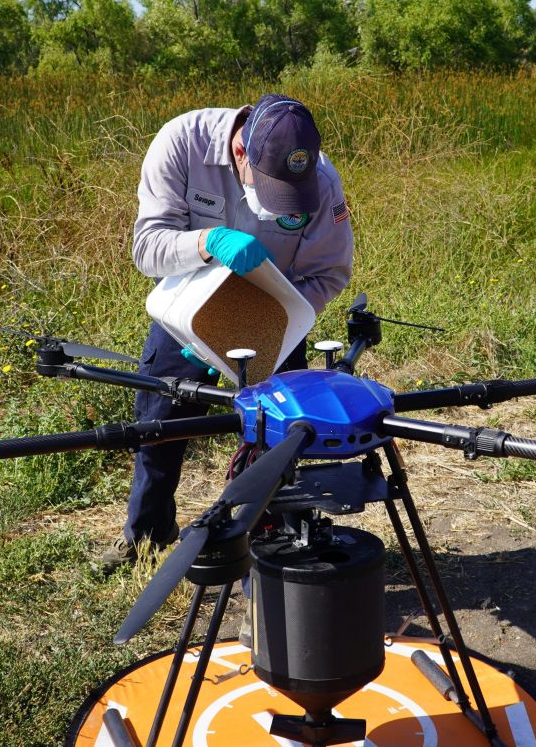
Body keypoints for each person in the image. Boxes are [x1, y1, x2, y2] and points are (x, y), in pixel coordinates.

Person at [102, 94, 354, 567]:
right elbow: (147, 248)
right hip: (187, 314)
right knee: (158, 428)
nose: (274, 205)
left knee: (276, 439)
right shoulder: (182, 143)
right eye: (270, 188)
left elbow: (330, 272)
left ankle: (265, 542)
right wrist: (206, 241)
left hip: (273, 319)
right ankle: (146, 534)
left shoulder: (320, 178)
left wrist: (275, 324)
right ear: (241, 153)